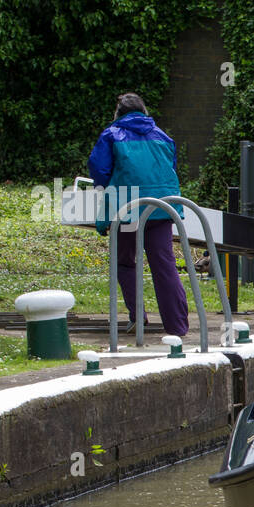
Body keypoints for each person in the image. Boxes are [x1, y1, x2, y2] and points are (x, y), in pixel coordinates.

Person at [87, 92, 190, 336]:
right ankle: (177, 326)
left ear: (118, 114)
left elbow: (98, 169)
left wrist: (110, 188)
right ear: (144, 111)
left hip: (128, 207)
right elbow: (171, 167)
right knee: (164, 265)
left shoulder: (111, 135)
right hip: (163, 207)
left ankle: (138, 318)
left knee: (124, 261)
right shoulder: (163, 136)